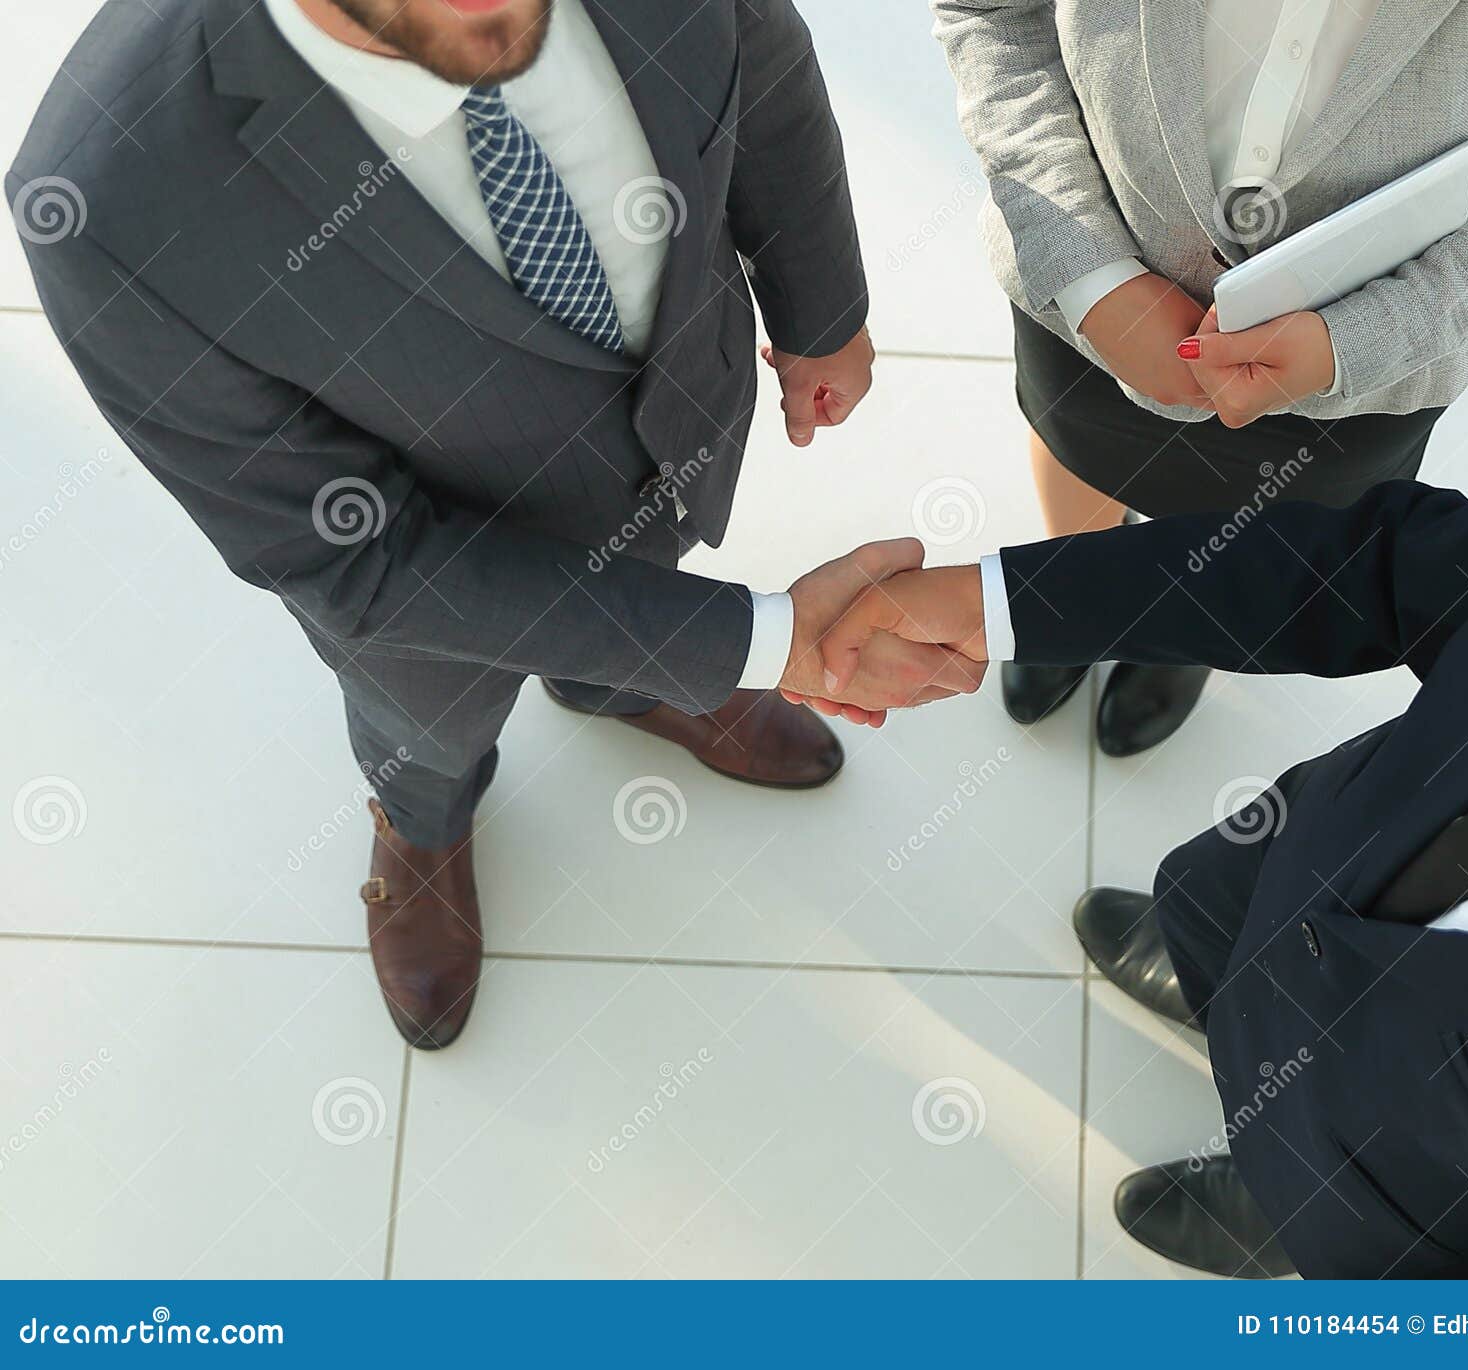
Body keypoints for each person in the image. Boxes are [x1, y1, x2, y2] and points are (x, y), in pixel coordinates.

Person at [8, 0, 980, 1050]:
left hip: (676, 428)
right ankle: (421, 829)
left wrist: (820, 307)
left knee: (644, 593)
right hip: (432, 603)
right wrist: (760, 642)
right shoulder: (112, 195)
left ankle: (627, 680)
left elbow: (764, 59)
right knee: (428, 734)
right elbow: (357, 559)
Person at [808, 440, 1468, 1278]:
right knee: (1220, 909)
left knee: (1315, 1177)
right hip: (1318, 852)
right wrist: (996, 606)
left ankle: (1275, 1204)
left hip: (1381, 1190)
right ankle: (1215, 981)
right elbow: (1380, 569)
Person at [930, 0, 1468, 755]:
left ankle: (1172, 636)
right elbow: (992, 13)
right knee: (1078, 457)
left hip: (1356, 385)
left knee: (1241, 565)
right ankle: (1069, 589)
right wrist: (1090, 279)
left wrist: (1353, 339)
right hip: (1087, 296)